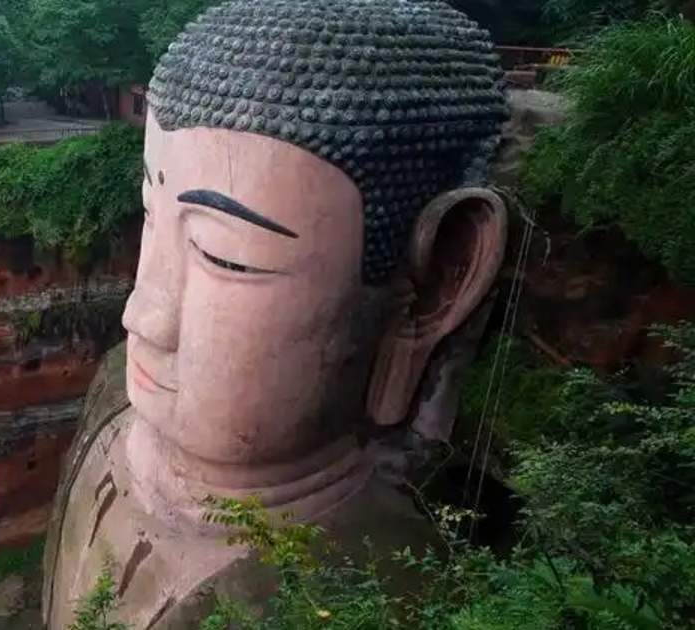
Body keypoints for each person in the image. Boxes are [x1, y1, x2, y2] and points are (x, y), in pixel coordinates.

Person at [43, 1, 509, 627]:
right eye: (150, 217)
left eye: (225, 257)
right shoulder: (111, 401)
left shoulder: (372, 589)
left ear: (432, 292)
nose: (141, 316)